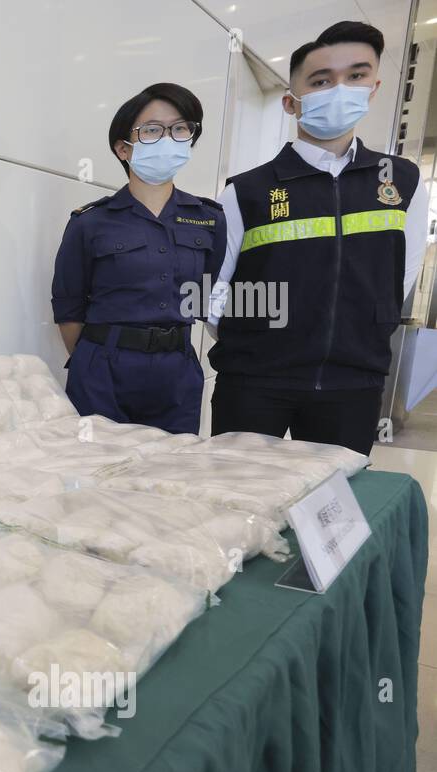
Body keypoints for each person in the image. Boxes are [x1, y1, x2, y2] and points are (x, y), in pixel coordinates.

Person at [207, 20, 427, 456]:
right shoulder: (246, 190)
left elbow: (400, 276)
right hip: (254, 384)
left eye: (356, 76)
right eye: (322, 81)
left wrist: (362, 330)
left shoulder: (400, 181)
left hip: (352, 384)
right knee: (239, 501)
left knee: (331, 513)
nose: (340, 89)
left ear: (374, 87)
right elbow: (212, 288)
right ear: (293, 101)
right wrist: (256, 342)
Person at [51, 82, 222, 434]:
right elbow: (68, 311)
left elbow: (212, 298)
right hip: (103, 370)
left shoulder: (209, 218)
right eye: (152, 131)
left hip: (176, 371)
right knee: (100, 475)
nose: (168, 139)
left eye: (179, 129)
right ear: (123, 148)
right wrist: (102, 356)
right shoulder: (91, 221)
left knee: (169, 478)